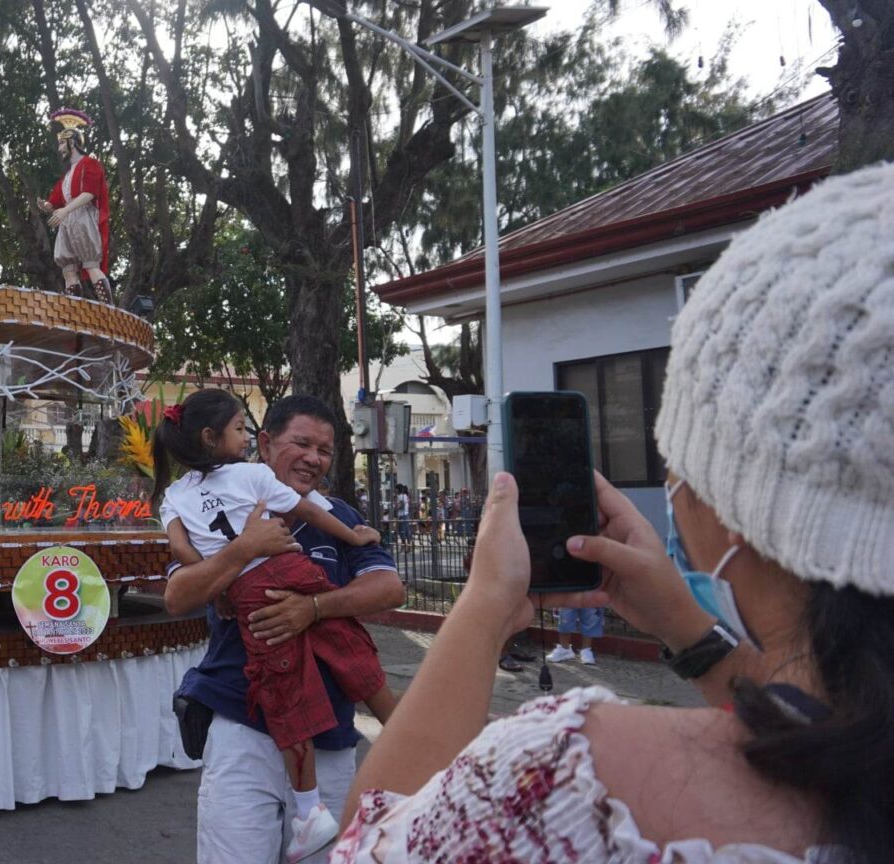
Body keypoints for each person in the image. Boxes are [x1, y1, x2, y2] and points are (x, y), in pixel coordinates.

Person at [331, 161, 894, 862]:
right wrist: (686, 628)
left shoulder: (566, 782)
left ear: (725, 506)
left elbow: (372, 841)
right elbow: (821, 724)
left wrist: (482, 605)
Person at [153, 389, 394, 861]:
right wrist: (242, 551)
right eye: (300, 444)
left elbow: (388, 590)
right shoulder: (218, 495)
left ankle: (417, 742)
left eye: (324, 451)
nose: (313, 458)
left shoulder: (336, 515)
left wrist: (314, 609)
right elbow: (178, 596)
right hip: (242, 726)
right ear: (264, 444)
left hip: (330, 738)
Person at [37, 108, 113, 304]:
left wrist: (65, 210)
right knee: (68, 267)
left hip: (81, 216)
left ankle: (107, 306)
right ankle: (74, 309)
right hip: (67, 219)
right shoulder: (67, 176)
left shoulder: (90, 164)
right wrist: (47, 206)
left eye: (62, 143)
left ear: (73, 142)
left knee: (90, 262)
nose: (60, 148)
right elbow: (55, 201)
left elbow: (89, 193)